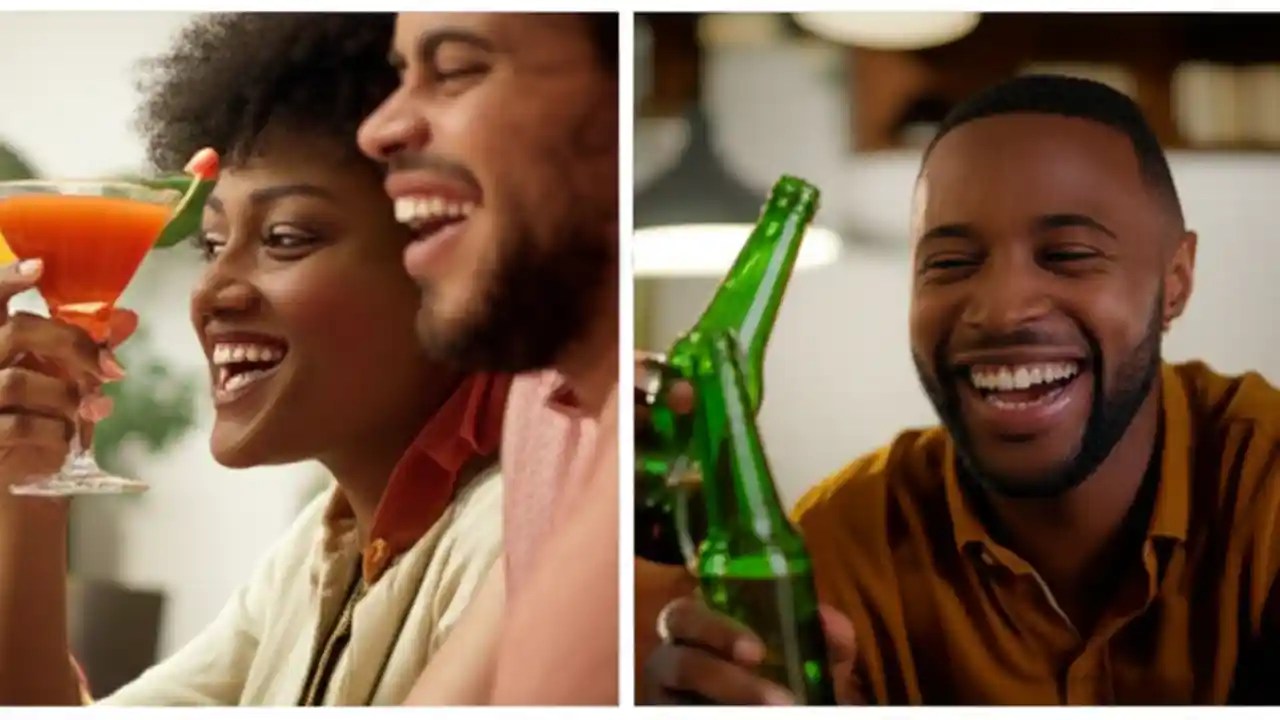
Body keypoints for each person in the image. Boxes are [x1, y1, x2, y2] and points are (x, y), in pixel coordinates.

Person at [640, 74, 1280, 705]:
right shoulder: (844, 545)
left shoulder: (1264, 488)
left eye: (1068, 255)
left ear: (1175, 281)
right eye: (949, 263)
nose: (1000, 311)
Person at [0, 13, 508, 705]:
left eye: (286, 237)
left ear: (445, 256)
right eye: (211, 244)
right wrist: (28, 481)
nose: (212, 292)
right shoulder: (323, 544)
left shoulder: (509, 530)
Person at [355, 12, 620, 705]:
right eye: (403, 72)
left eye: (458, 69)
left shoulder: (647, 430)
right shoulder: (541, 396)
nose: (377, 131)